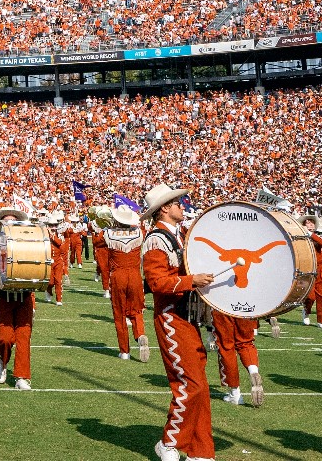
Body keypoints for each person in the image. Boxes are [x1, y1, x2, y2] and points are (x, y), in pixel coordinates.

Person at [142, 183, 217, 461]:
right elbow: (156, 281)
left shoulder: (179, 235)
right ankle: (169, 442)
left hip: (187, 315)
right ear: (164, 208)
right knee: (190, 384)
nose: (181, 205)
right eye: (176, 203)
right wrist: (191, 280)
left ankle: (201, 450)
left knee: (200, 385)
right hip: (171, 315)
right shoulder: (156, 239)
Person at [0, 204, 35, 390]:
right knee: (6, 338)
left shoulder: (28, 242)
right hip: (2, 295)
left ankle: (22, 377)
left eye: (13, 222)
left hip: (23, 295)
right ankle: (3, 357)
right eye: (6, 222)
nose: (10, 224)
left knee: (24, 336)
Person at [102, 204, 149, 361]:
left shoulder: (109, 233)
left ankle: (124, 351)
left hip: (118, 275)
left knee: (119, 312)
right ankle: (140, 333)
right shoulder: (139, 232)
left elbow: (103, 244)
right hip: (135, 275)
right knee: (136, 309)